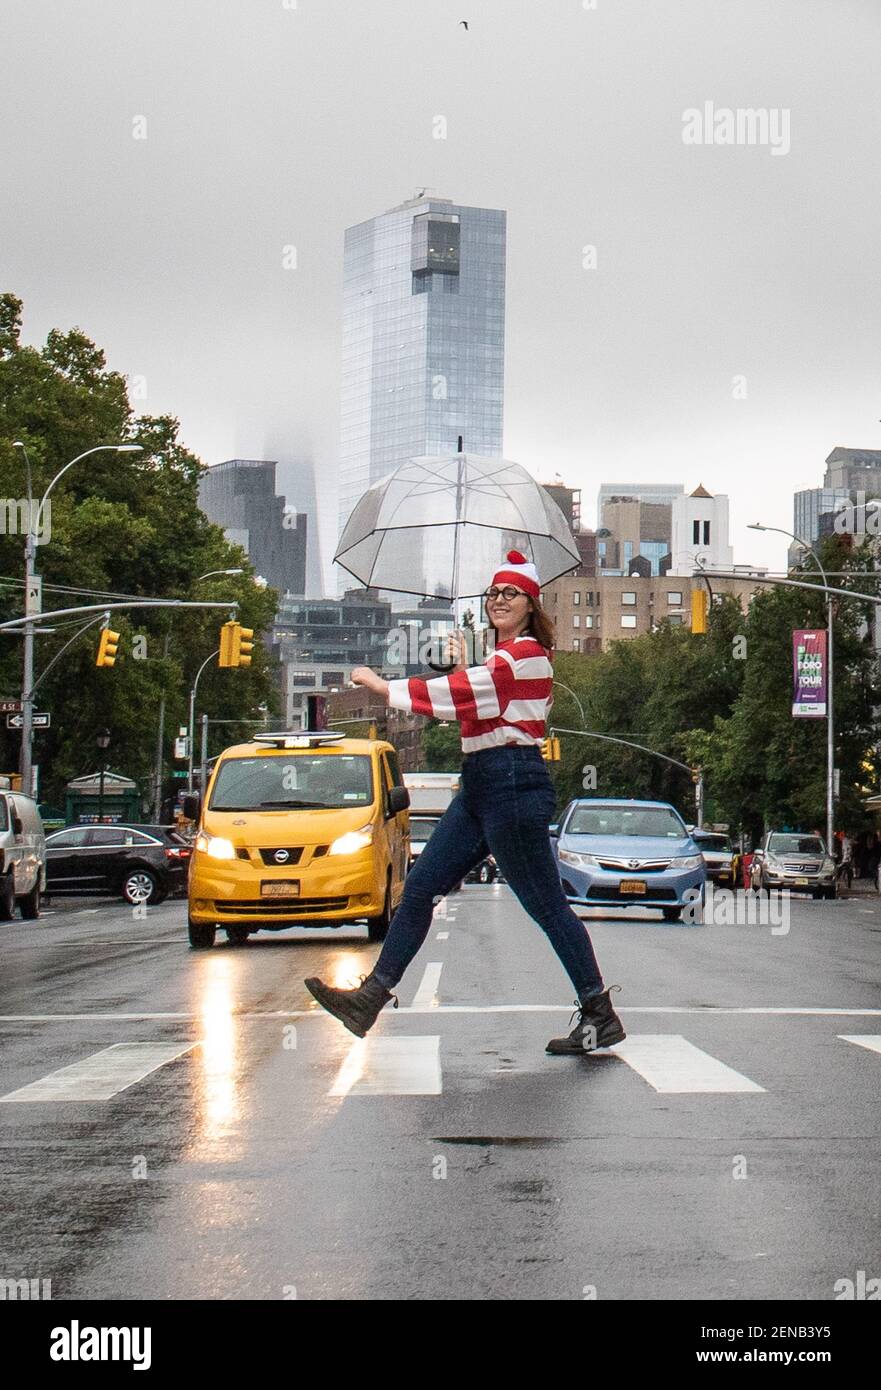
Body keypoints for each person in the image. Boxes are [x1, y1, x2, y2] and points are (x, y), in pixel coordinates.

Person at [304, 550, 625, 1055]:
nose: (499, 601)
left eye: (511, 594)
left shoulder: (527, 655)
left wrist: (386, 688)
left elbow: (476, 695)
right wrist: (461, 665)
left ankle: (598, 1013)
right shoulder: (497, 661)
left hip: (514, 786)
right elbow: (475, 719)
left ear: (530, 604)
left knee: (547, 907)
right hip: (480, 784)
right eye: (494, 593)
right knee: (420, 888)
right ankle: (370, 997)